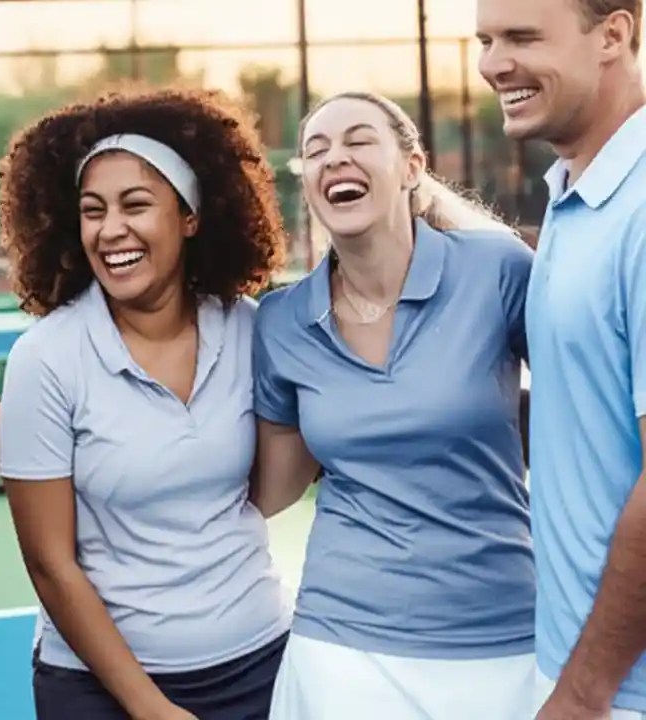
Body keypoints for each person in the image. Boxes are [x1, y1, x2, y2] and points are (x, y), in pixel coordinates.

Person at [0, 86, 293, 720]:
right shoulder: (46, 358)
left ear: (188, 217)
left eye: (137, 205)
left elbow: (268, 492)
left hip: (259, 662)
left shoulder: (250, 330)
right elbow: (50, 564)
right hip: (100, 692)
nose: (111, 230)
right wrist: (147, 705)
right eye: (93, 210)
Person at [249, 91, 536, 719]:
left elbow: (584, 401)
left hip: (503, 634)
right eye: (316, 151)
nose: (335, 159)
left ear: (411, 168)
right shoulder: (281, 322)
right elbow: (273, 490)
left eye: (357, 141)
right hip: (341, 644)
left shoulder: (498, 269)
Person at [477, 0, 646, 717]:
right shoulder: (577, 191)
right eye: (485, 40)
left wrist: (583, 690)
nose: (491, 63)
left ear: (614, 34)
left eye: (520, 37)